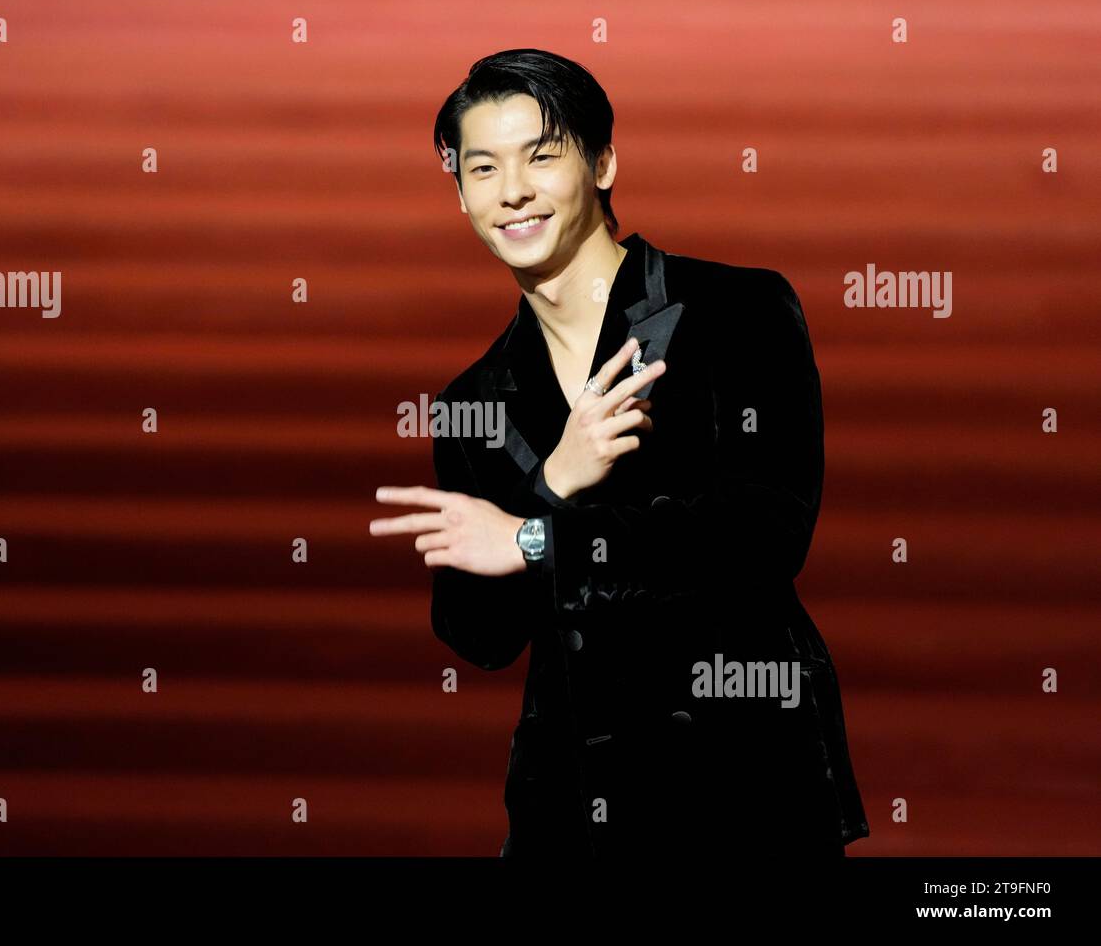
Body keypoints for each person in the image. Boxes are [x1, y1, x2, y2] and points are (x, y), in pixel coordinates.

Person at [369, 48, 869, 858]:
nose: (513, 192)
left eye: (541, 156)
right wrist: (554, 481)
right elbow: (477, 633)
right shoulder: (472, 403)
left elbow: (765, 533)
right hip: (572, 801)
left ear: (602, 161)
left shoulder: (734, 311)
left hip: (742, 786)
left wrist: (535, 539)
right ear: (459, 194)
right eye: (483, 167)